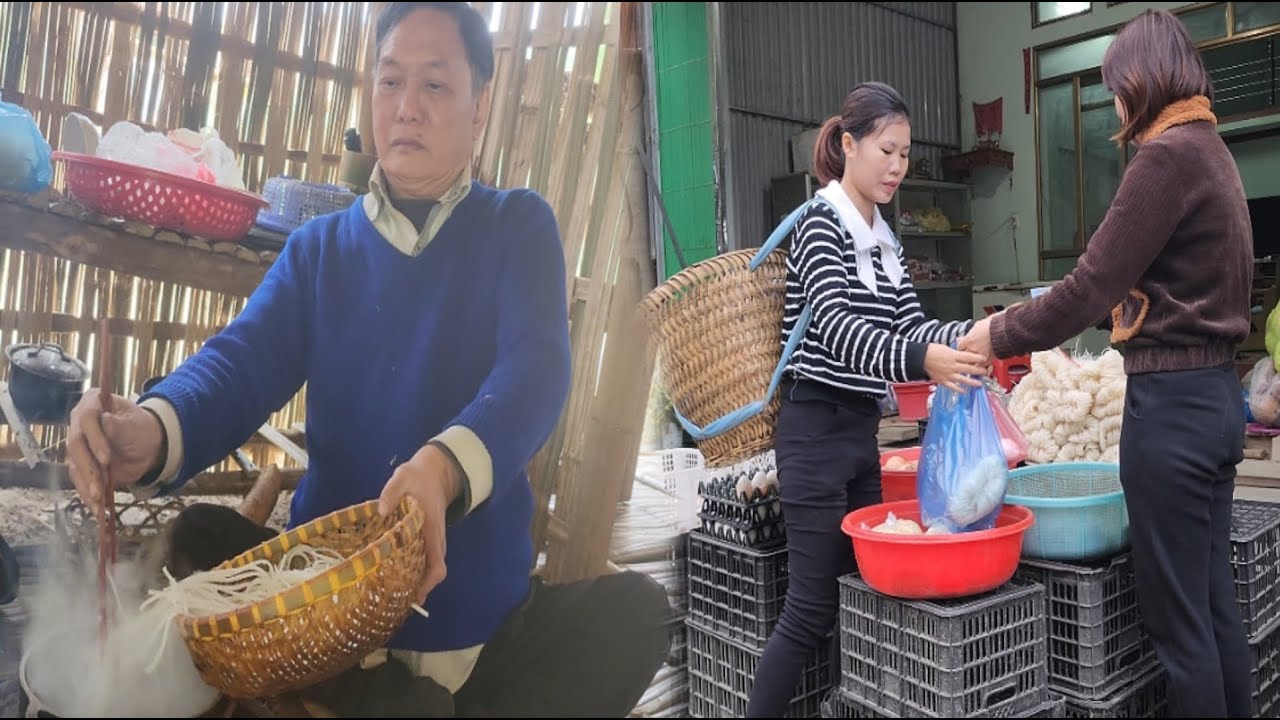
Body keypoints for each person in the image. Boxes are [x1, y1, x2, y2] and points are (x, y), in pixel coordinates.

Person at [63, 3, 672, 717]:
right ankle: (370, 695)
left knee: (644, 610)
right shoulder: (318, 252)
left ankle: (389, 705)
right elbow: (238, 364)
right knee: (193, 537)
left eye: (435, 86)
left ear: (481, 103)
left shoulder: (518, 228)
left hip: (484, 627)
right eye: (390, 82)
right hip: (322, 618)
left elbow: (536, 372)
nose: (406, 108)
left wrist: (441, 468)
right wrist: (153, 428)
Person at [959, 9, 1252, 718]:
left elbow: (1089, 285)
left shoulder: (1167, 157)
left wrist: (996, 334)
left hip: (1173, 413)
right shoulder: (1212, 149)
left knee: (1180, 631)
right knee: (1213, 613)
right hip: (1216, 400)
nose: (1117, 105)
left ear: (1141, 83)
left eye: (1118, 88)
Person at [745, 81, 990, 718]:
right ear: (848, 145)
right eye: (886, 150)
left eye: (905, 155)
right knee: (810, 608)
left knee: (858, 594)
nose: (896, 167)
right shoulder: (821, 225)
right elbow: (840, 331)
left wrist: (974, 337)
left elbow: (911, 327)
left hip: (858, 434)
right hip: (811, 432)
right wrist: (923, 358)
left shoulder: (885, 238)